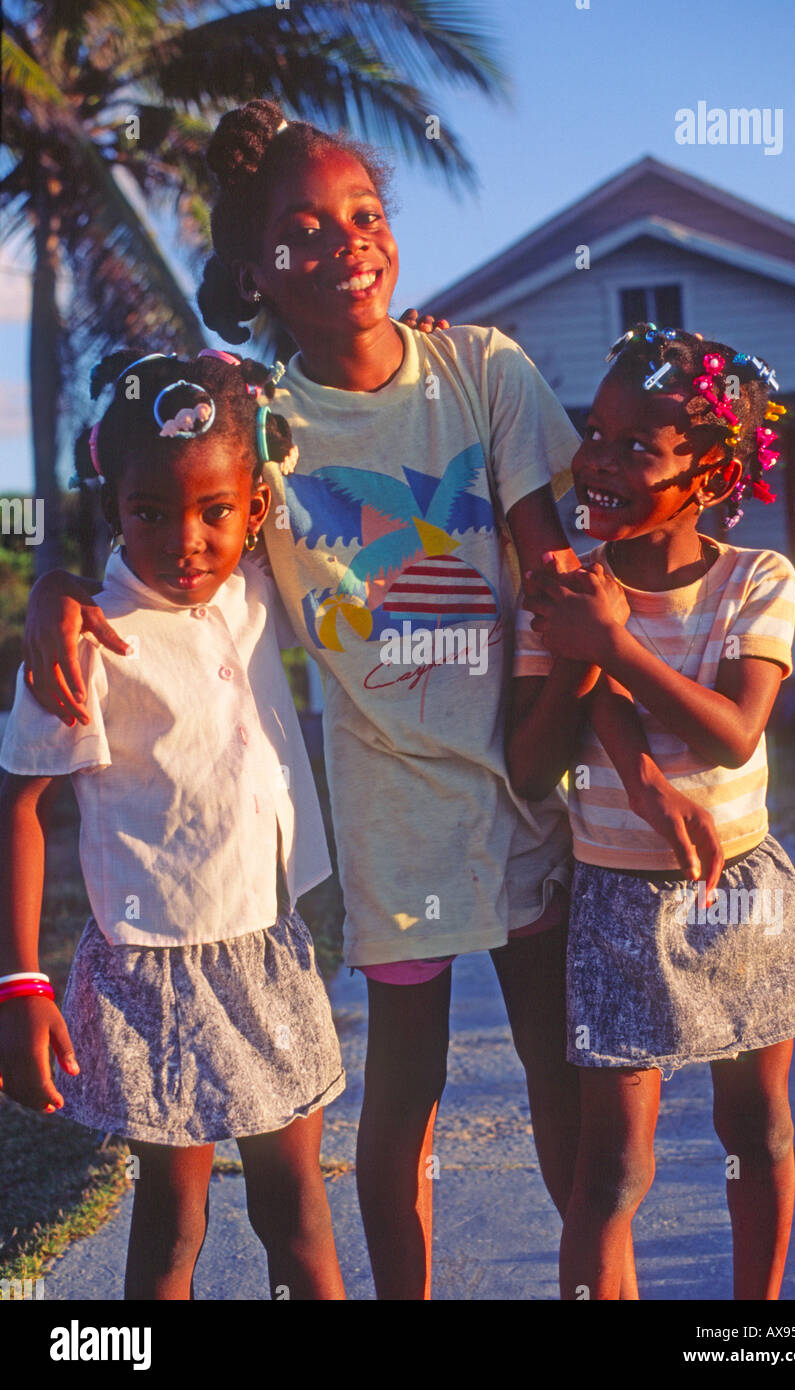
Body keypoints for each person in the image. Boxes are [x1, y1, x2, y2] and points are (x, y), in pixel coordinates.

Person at [21, 105, 719, 1300]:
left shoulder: (481, 369)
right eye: (306, 230)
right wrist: (49, 586)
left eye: (365, 216)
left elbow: (556, 590)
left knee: (560, 1080)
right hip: (391, 814)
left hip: (521, 785)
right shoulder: (262, 434)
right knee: (404, 1099)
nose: (349, 243)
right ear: (256, 275)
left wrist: (617, 765)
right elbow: (167, 537)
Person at [0, 349, 346, 1300]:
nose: (186, 541)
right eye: (150, 512)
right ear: (113, 502)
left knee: (296, 1212)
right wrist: (19, 983)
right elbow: (18, 807)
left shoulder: (256, 585)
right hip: (155, 967)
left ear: (254, 509)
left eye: (214, 512)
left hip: (266, 948)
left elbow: (337, 424)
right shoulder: (83, 641)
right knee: (172, 1223)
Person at [510, 324, 795, 1300]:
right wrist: (580, 641)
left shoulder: (755, 579)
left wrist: (615, 641)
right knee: (612, 1170)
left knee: (759, 1130)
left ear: (711, 472)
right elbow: (529, 768)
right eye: (593, 432)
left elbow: (734, 732)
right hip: (617, 905)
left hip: (739, 893)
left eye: (635, 447)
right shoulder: (561, 592)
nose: (597, 461)